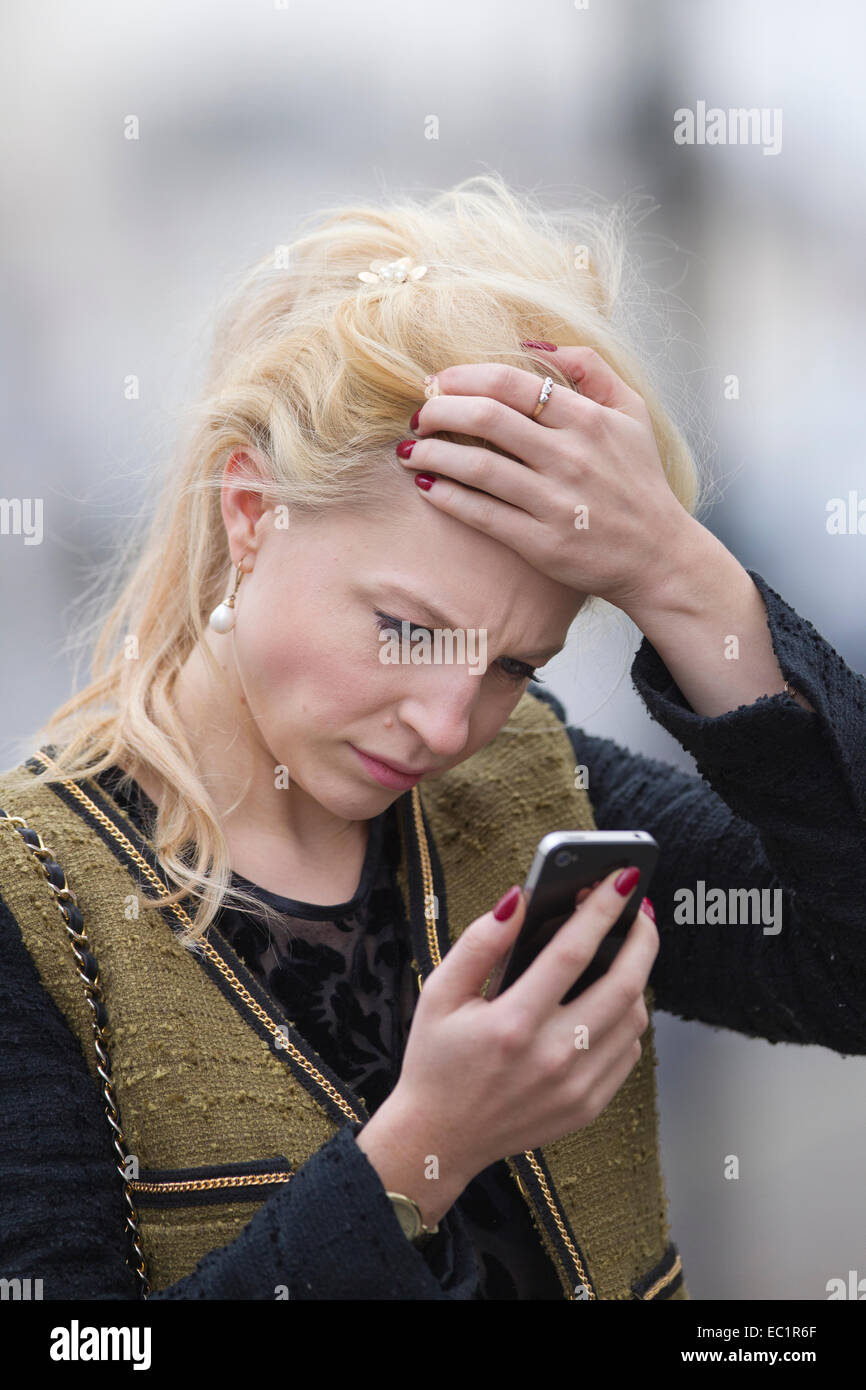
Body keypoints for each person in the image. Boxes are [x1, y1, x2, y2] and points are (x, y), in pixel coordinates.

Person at [1, 174, 864, 1302]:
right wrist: (423, 1150)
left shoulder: (525, 789)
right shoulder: (37, 900)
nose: (449, 723)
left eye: (515, 666)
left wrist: (682, 575)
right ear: (251, 511)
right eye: (407, 631)